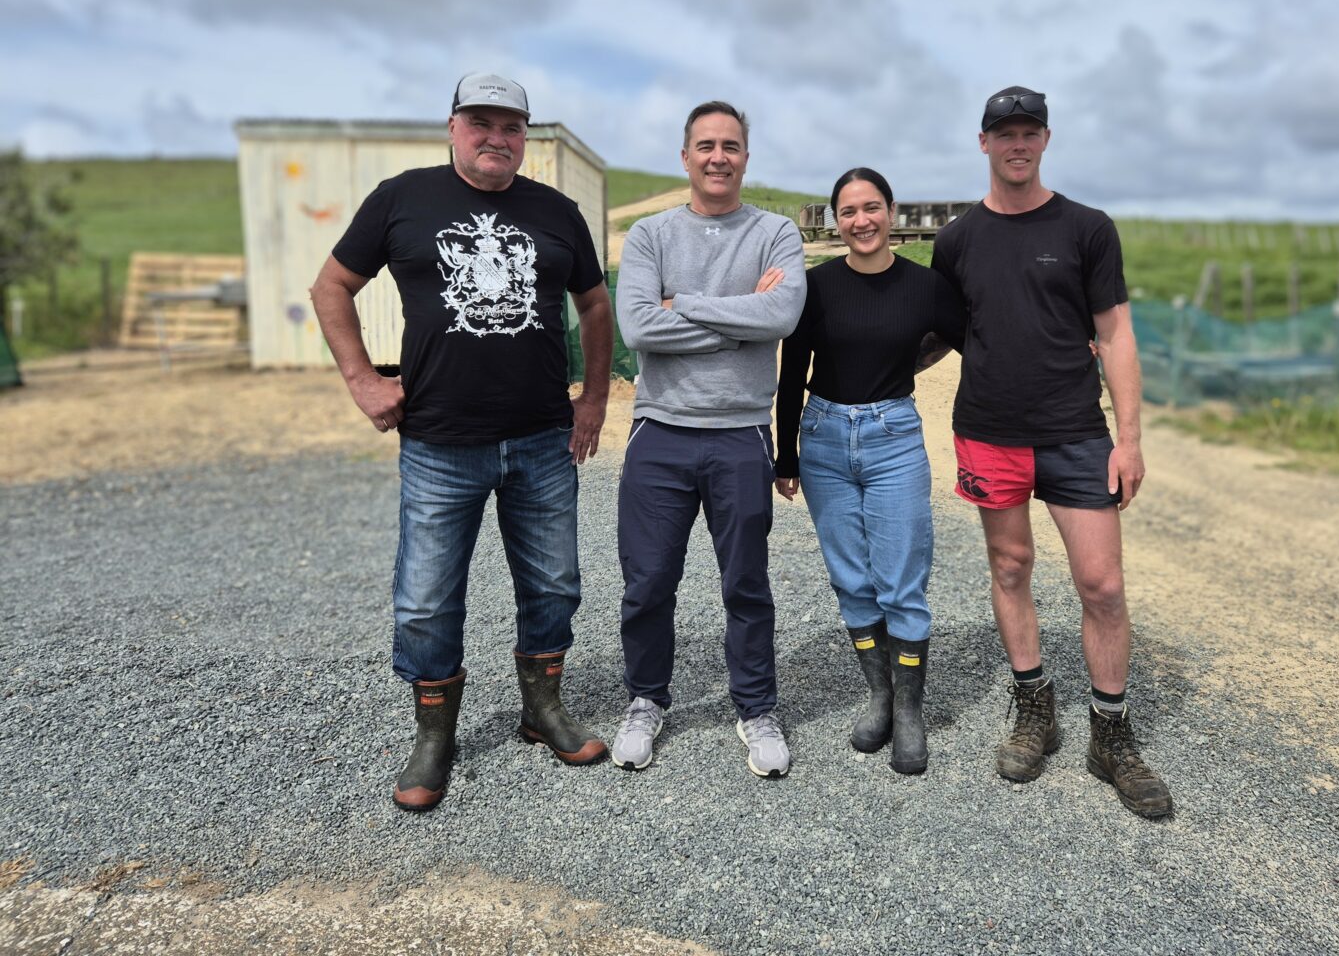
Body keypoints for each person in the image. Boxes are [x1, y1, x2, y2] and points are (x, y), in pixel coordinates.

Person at [310, 72, 614, 813]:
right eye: (480, 122)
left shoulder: (557, 212)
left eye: (511, 126)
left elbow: (595, 305)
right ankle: (433, 736)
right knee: (425, 600)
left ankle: (543, 710)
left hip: (542, 439)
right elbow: (331, 287)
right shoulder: (401, 199)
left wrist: (595, 398)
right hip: (440, 444)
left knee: (554, 584)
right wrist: (362, 380)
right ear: (452, 126)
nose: (495, 138)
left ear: (525, 136)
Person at [931, 86, 1173, 819]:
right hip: (988, 431)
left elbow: (1115, 335)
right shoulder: (956, 240)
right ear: (983, 143)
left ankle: (1111, 733)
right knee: (1011, 567)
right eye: (1004, 133)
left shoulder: (1087, 228)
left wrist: (1130, 439)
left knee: (1102, 585)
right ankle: (1034, 705)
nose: (1017, 144)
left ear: (1045, 139)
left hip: (1075, 432)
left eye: (1029, 132)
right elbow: (940, 331)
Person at [612, 101, 807, 778]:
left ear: (745, 157)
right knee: (647, 582)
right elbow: (638, 328)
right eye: (705, 145)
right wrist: (738, 322)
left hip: (740, 434)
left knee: (746, 583)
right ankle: (645, 699)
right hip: (660, 431)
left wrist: (686, 306)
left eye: (730, 145)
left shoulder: (776, 232)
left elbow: (781, 314)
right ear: (685, 156)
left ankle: (756, 707)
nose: (718, 156)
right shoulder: (650, 235)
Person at [773, 168, 965, 775]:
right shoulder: (816, 286)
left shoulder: (926, 286)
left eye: (872, 207)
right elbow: (791, 373)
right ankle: (880, 696)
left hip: (894, 440)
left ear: (891, 211)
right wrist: (786, 456)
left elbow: (979, 345)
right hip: (823, 439)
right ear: (836, 220)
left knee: (901, 582)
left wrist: (1060, 349)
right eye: (849, 211)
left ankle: (909, 711)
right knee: (852, 580)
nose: (862, 221)